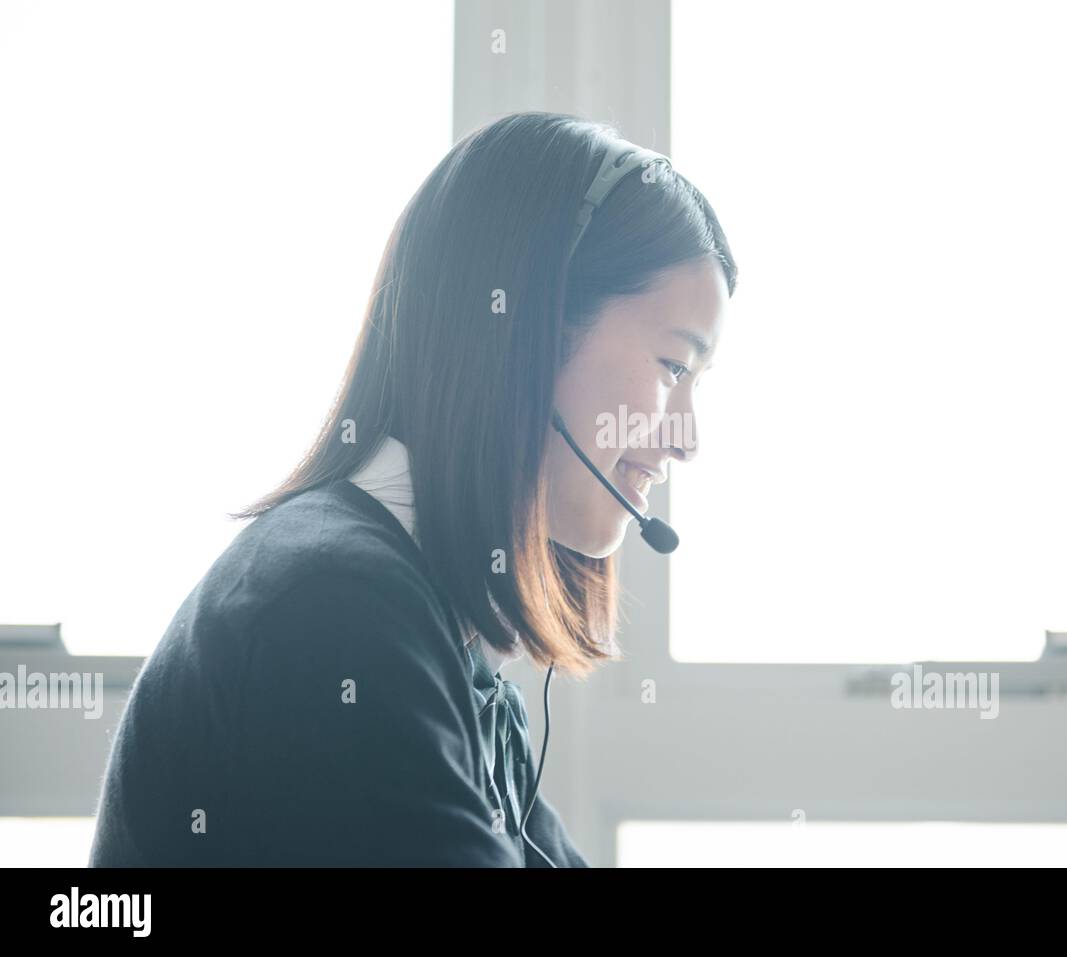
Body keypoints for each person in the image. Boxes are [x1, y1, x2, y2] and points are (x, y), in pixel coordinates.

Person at [88, 111, 738, 866]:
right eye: (672, 367)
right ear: (528, 323)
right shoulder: (334, 612)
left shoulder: (439, 631)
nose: (687, 439)